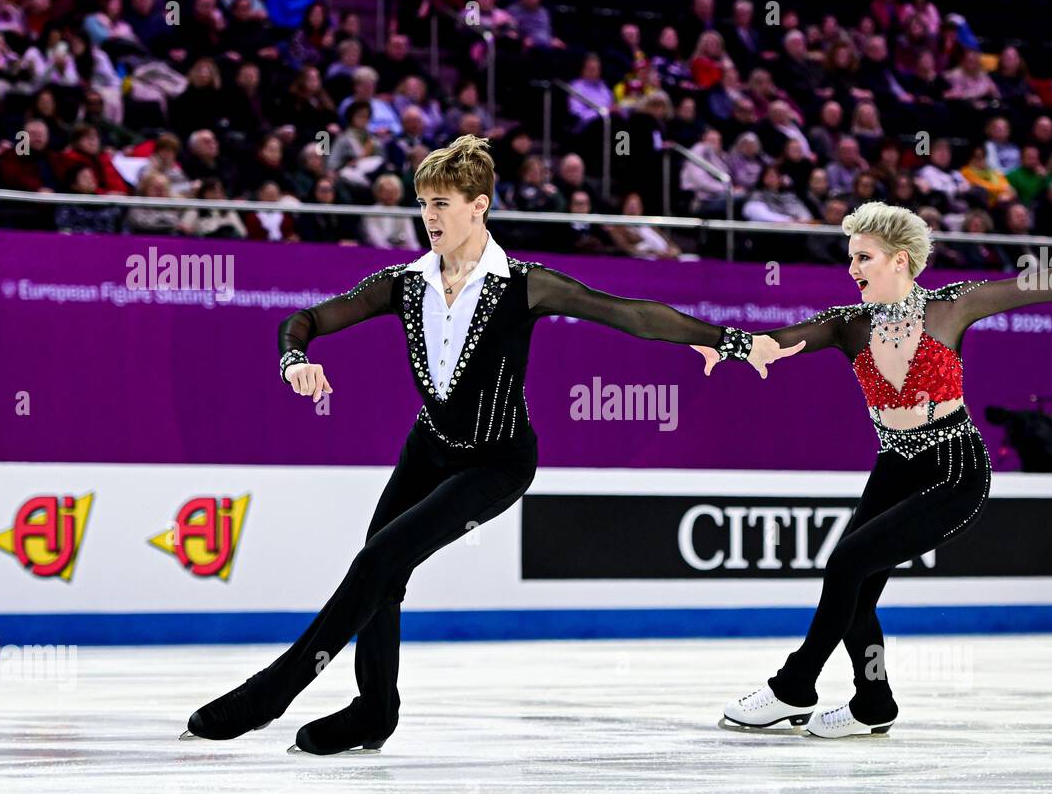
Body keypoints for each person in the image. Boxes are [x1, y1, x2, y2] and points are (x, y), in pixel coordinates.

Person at [182, 135, 802, 755]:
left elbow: (628, 313)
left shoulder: (524, 285)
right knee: (382, 569)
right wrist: (295, 359)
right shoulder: (404, 283)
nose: (428, 216)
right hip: (429, 448)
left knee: (377, 562)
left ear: (479, 206)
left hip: (498, 461)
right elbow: (308, 319)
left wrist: (733, 342)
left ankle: (274, 691)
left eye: (442, 203)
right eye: (423, 203)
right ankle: (374, 707)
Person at [699, 201, 1052, 738]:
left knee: (847, 564)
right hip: (894, 466)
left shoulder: (952, 306)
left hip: (955, 470)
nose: (852, 269)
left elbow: (1044, 284)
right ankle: (872, 703)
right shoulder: (847, 325)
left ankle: (794, 687)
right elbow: (777, 342)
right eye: (850, 258)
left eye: (863, 257)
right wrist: (731, 345)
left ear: (899, 260)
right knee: (855, 583)